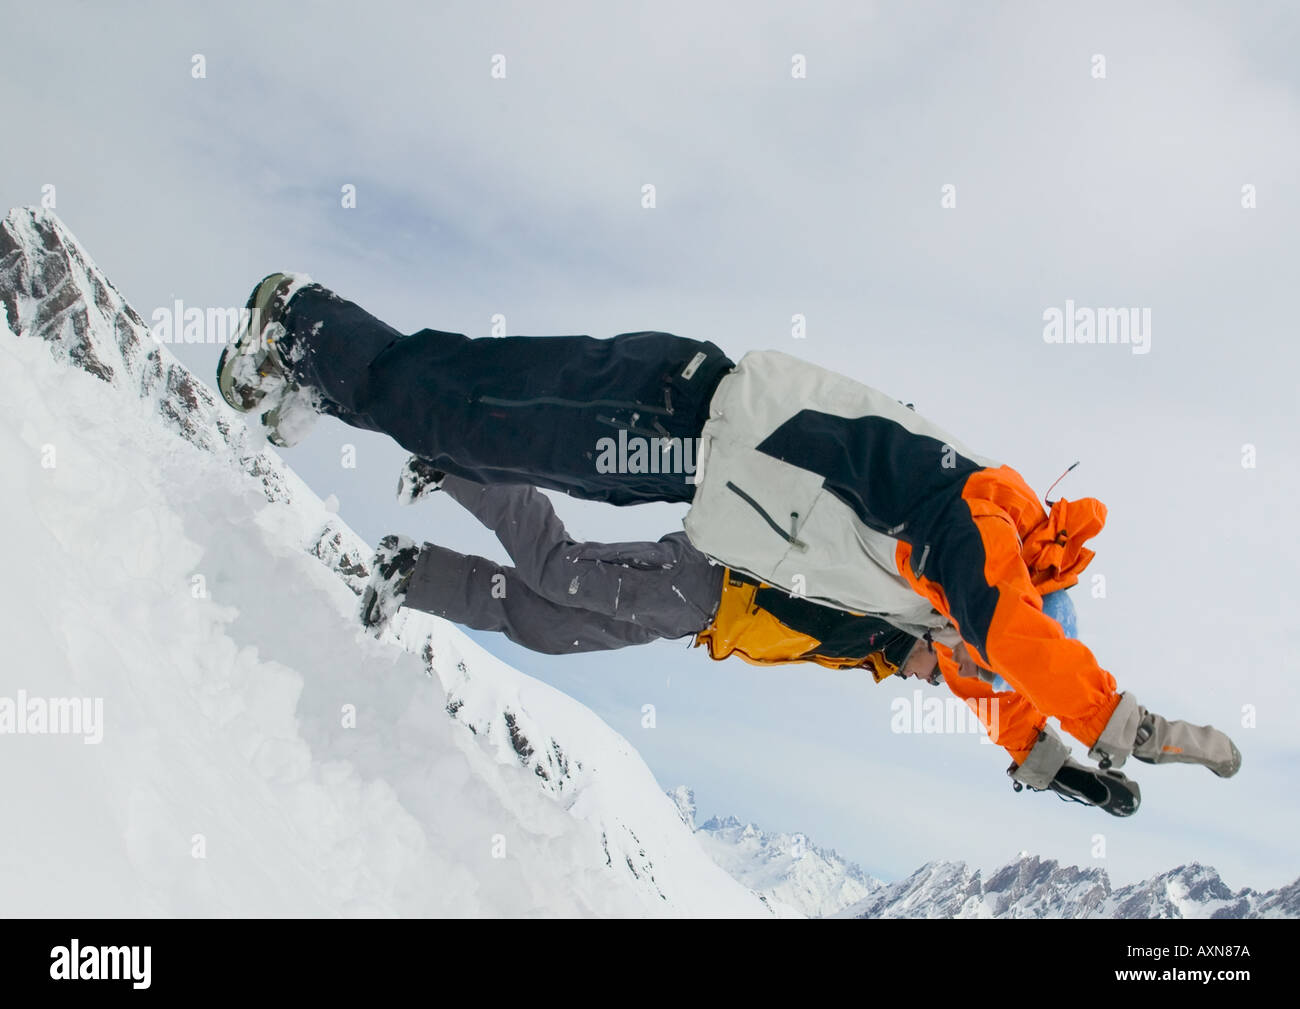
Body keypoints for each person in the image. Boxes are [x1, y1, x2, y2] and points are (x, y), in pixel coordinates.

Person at [216, 273, 1241, 810]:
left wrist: (1045, 761)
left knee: (486, 464)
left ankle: (317, 377)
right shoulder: (968, 517)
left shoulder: (932, 605)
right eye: (971, 650)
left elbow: (992, 679)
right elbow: (1007, 638)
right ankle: (302, 320)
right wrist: (1125, 724)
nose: (959, 667)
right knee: (468, 414)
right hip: (683, 408)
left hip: (692, 471)